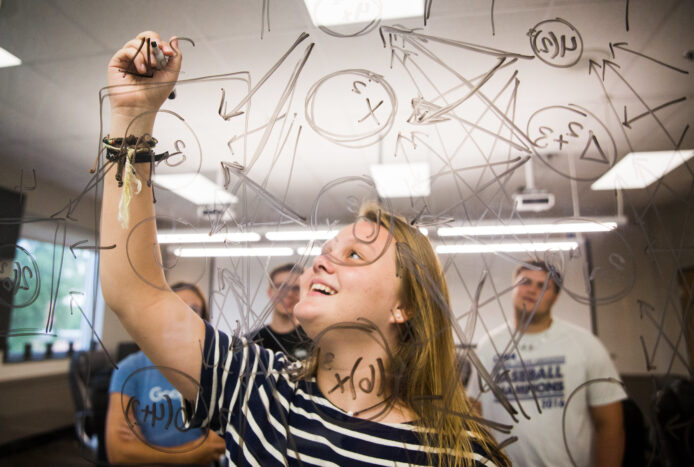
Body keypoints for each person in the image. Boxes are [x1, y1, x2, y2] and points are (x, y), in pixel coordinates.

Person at [100, 31, 508, 466]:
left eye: (354, 254)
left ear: (403, 306)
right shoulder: (257, 390)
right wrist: (133, 117)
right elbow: (135, 293)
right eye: (326, 251)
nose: (322, 261)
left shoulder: (463, 455)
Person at [472, 261, 626, 467]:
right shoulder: (487, 346)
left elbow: (610, 425)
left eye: (542, 286)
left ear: (555, 296)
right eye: (525, 282)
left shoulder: (585, 345)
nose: (532, 290)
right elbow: (474, 414)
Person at [105, 282, 226, 465]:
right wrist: (193, 455)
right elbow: (119, 453)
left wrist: (146, 453)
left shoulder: (214, 368)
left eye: (194, 310)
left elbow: (218, 444)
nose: (185, 316)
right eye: (177, 307)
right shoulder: (130, 369)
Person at [247, 263, 312, 360]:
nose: (289, 293)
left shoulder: (314, 339)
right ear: (270, 292)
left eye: (296, 288)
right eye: (281, 287)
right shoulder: (251, 342)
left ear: (305, 293)